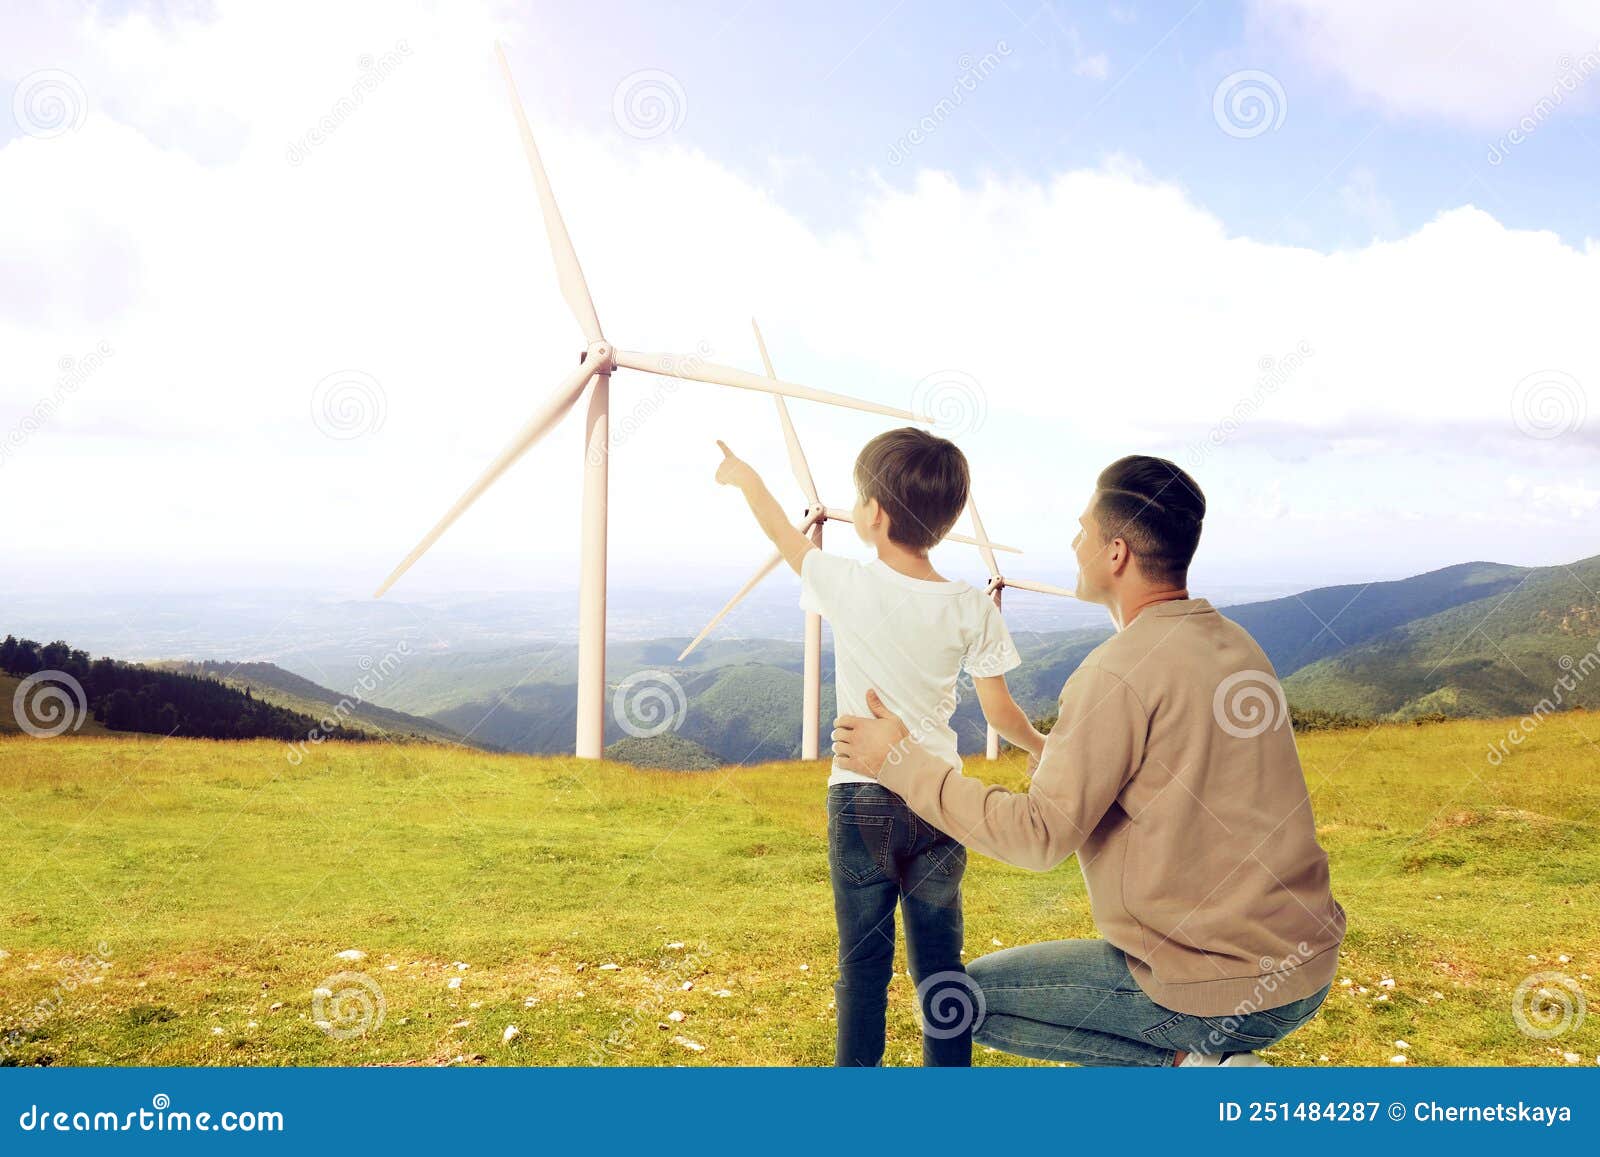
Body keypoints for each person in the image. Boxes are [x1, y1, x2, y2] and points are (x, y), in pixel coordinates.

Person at [831, 454, 1345, 1067]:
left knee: (953, 1000)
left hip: (1218, 986)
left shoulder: (1116, 672)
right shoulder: (1237, 644)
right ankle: (1195, 1069)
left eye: (1082, 530)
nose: (1074, 543)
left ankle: (1198, 1067)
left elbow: (1037, 839)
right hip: (1305, 964)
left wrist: (899, 761)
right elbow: (1176, 778)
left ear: (1117, 553)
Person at [713, 430, 1045, 1066]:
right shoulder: (972, 606)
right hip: (939, 800)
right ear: (947, 519)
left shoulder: (846, 582)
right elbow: (999, 710)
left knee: (862, 970)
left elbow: (783, 532)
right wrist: (1038, 745)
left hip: (861, 797)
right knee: (941, 969)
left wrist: (745, 476)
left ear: (873, 514)